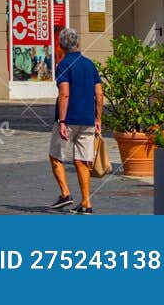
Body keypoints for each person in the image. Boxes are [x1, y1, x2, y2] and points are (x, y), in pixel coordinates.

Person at [49, 27, 104, 214]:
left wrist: (62, 121)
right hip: (88, 119)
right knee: (82, 161)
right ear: (78, 43)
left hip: (69, 119)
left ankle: (65, 194)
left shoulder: (63, 65)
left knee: (55, 156)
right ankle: (86, 203)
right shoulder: (90, 65)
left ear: (61, 46)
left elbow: (64, 94)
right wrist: (98, 119)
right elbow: (99, 94)